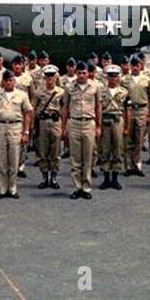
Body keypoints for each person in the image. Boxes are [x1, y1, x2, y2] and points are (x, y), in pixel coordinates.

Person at [0, 69, 32, 197]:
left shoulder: (22, 95)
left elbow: (28, 113)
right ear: (3, 82)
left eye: (11, 80)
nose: (9, 83)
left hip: (15, 127)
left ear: (14, 81)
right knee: (0, 160)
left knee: (14, 159)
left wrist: (26, 132)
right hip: (0, 126)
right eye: (6, 81)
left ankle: (12, 187)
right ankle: (2, 188)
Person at [64, 61, 105, 198]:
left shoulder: (96, 86)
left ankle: (86, 188)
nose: (81, 75)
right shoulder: (69, 87)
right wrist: (65, 126)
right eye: (79, 73)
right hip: (74, 123)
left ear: (88, 73)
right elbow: (65, 108)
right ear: (76, 73)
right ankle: (77, 187)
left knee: (88, 158)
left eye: (84, 73)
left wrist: (99, 126)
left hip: (89, 124)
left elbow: (98, 107)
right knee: (75, 158)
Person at [98, 64, 129, 189]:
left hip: (118, 121)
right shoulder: (101, 91)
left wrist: (127, 127)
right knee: (105, 150)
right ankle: (106, 178)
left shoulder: (124, 92)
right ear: (107, 77)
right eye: (110, 76)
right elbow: (98, 109)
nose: (113, 78)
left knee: (118, 149)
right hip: (105, 121)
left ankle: (115, 178)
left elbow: (127, 110)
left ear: (119, 77)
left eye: (115, 76)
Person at [35, 65, 65, 189]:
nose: (50, 78)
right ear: (44, 77)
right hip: (43, 122)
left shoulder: (61, 92)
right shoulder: (38, 92)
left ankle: (53, 177)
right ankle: (44, 177)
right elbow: (33, 109)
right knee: (43, 150)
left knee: (55, 150)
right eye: (47, 76)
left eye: (52, 76)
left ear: (56, 76)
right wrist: (33, 126)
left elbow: (64, 109)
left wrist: (64, 126)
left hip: (56, 121)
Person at [125, 56, 150, 176]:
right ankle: (129, 166)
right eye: (133, 65)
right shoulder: (125, 80)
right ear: (130, 66)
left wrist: (149, 114)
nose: (135, 67)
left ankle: (138, 165)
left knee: (139, 139)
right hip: (129, 111)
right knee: (129, 139)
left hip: (142, 110)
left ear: (141, 66)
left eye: (137, 65)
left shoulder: (146, 79)